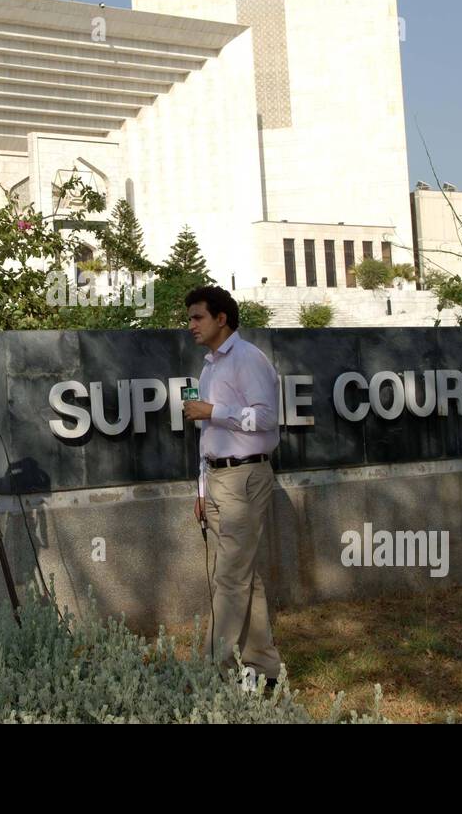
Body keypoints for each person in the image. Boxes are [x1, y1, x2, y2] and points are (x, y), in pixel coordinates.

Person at [181, 286, 284, 684]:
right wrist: (202, 489)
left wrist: (215, 410)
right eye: (189, 318)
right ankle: (263, 667)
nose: (190, 325)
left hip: (245, 478)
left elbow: (267, 418)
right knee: (244, 576)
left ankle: (214, 672)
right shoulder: (210, 366)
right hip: (218, 480)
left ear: (221, 318)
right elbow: (208, 433)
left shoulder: (247, 359)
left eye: (197, 317)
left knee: (230, 578)